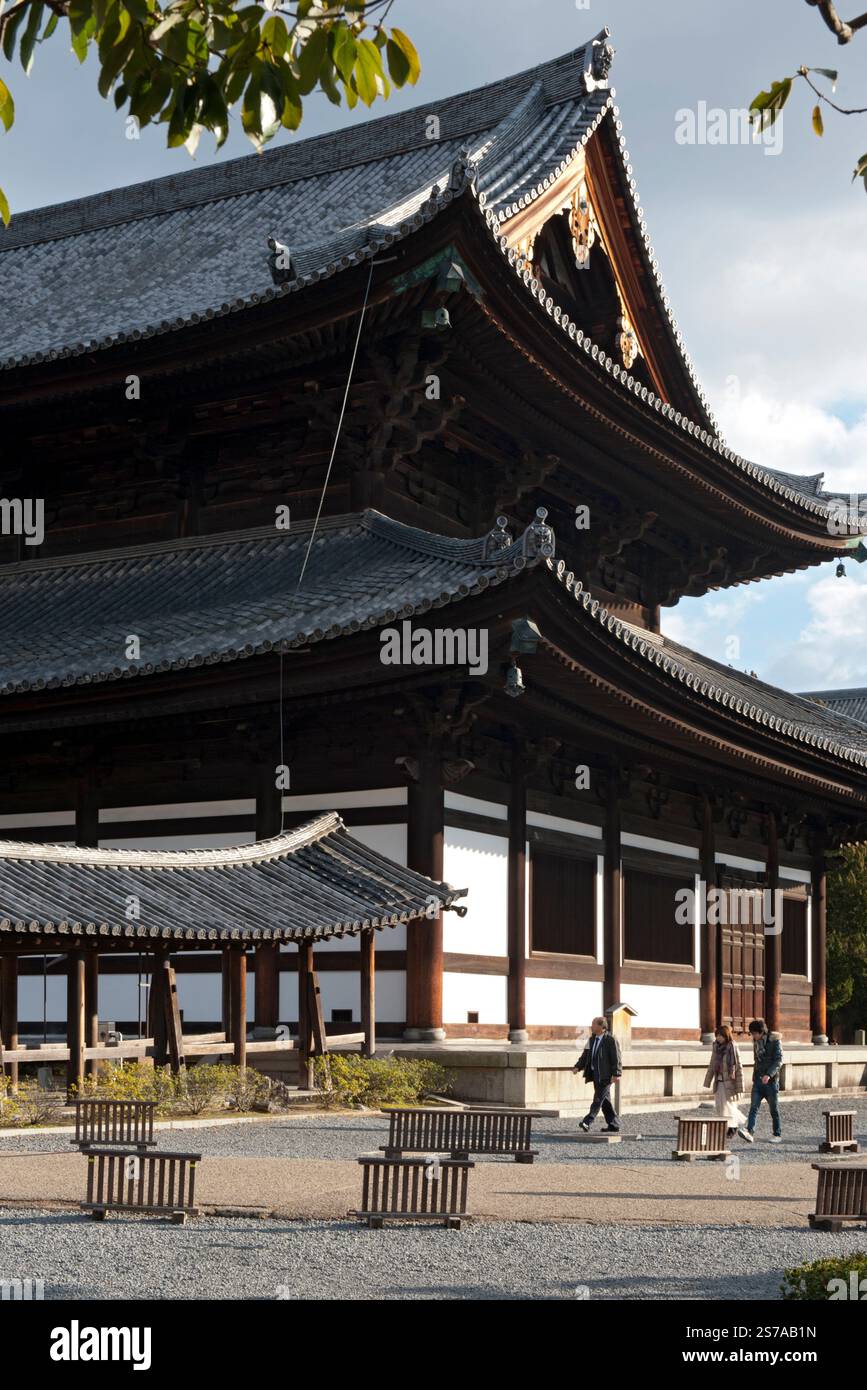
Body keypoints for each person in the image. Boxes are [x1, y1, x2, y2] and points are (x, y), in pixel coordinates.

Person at [738, 1018, 783, 1144]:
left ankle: (777, 1134)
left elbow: (779, 1060)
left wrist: (769, 1074)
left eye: (754, 1033)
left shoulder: (775, 1041)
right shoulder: (756, 1042)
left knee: (774, 1109)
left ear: (761, 1032)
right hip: (758, 1080)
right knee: (753, 1107)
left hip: (771, 1082)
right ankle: (749, 1132)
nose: (753, 1036)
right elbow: (757, 1061)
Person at [574, 1016, 622, 1133]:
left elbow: (616, 1058)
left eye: (594, 1024)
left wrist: (616, 1073)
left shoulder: (610, 1039)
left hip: (606, 1076)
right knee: (605, 1101)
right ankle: (614, 1124)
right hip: (595, 1075)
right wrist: (578, 1066)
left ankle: (587, 1121)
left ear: (601, 1027)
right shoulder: (592, 1039)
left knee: (598, 1099)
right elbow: (585, 1055)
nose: (591, 1026)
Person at [703, 1024, 746, 1136]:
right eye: (717, 1036)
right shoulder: (716, 1047)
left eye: (720, 1036)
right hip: (719, 1080)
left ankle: (732, 1127)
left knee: (728, 1105)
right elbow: (712, 1064)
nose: (718, 1038)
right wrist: (707, 1080)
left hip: (730, 1082)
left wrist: (740, 1085)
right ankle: (726, 1126)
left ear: (726, 1036)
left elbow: (738, 1066)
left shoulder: (732, 1047)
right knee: (720, 1106)